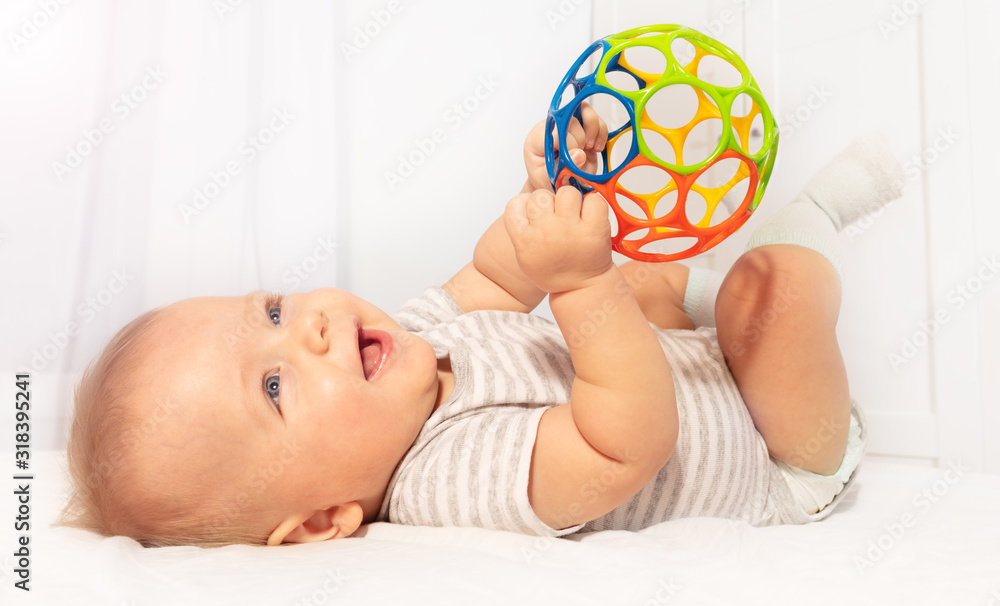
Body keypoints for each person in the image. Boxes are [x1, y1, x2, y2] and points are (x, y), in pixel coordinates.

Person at [60, 107, 903, 547]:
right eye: (273, 386)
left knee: (635, 266)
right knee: (770, 288)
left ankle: (688, 297)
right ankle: (818, 214)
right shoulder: (452, 481)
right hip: (771, 454)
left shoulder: (413, 342)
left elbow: (501, 273)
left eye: (273, 312)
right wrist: (579, 280)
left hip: (683, 360)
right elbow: (630, 442)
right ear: (323, 520)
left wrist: (557, 189)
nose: (308, 329)